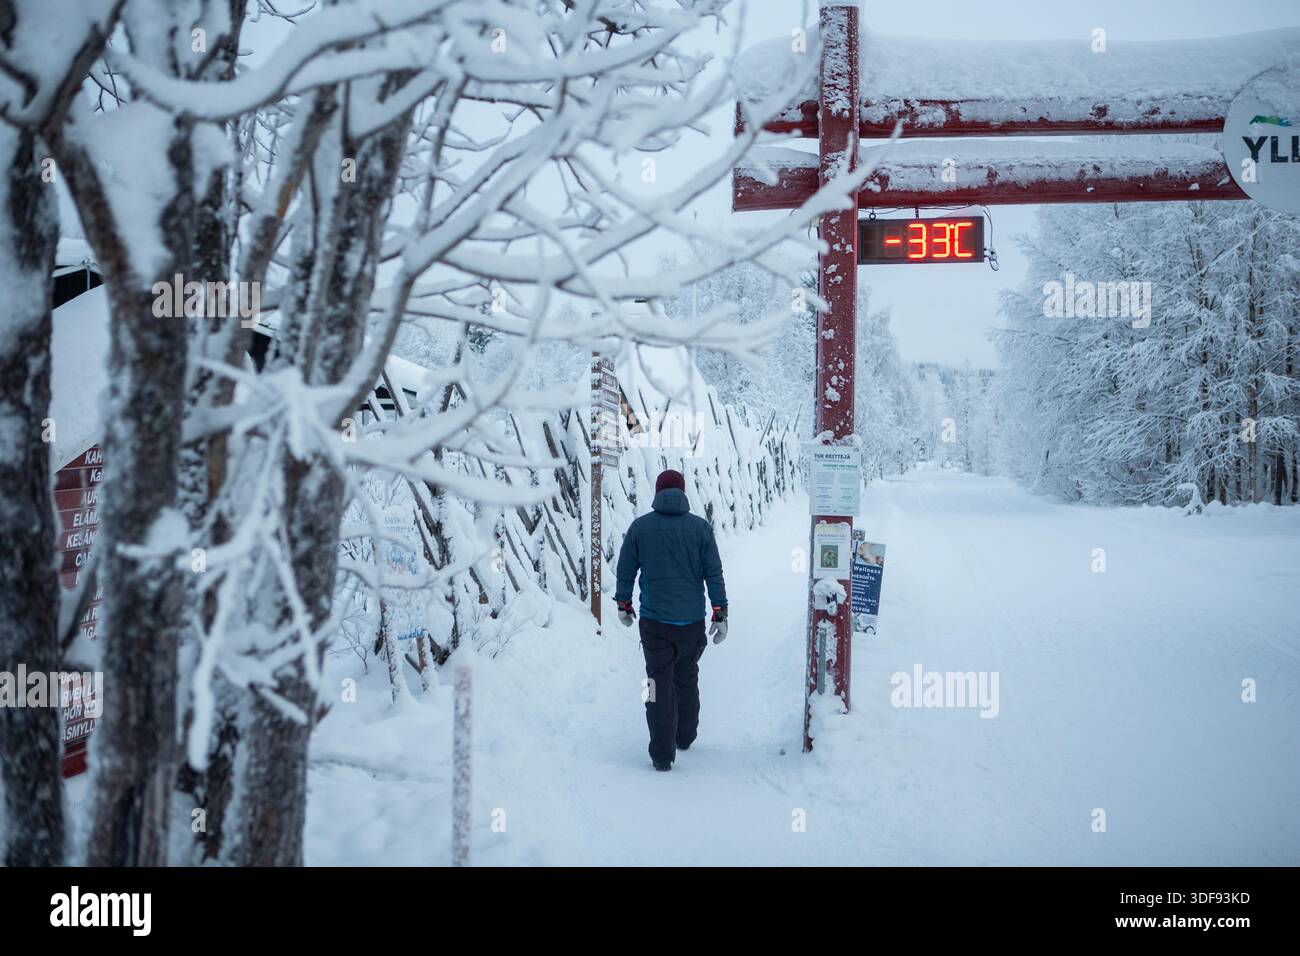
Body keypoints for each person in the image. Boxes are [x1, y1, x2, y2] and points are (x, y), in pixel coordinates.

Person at [614, 469, 728, 772]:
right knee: (687, 675)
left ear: (657, 491)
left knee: (655, 683)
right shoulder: (701, 529)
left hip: (654, 623)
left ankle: (661, 754)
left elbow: (626, 570)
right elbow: (713, 574)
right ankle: (685, 735)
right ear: (683, 492)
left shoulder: (640, 528)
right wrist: (720, 612)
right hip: (691, 622)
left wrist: (623, 604)